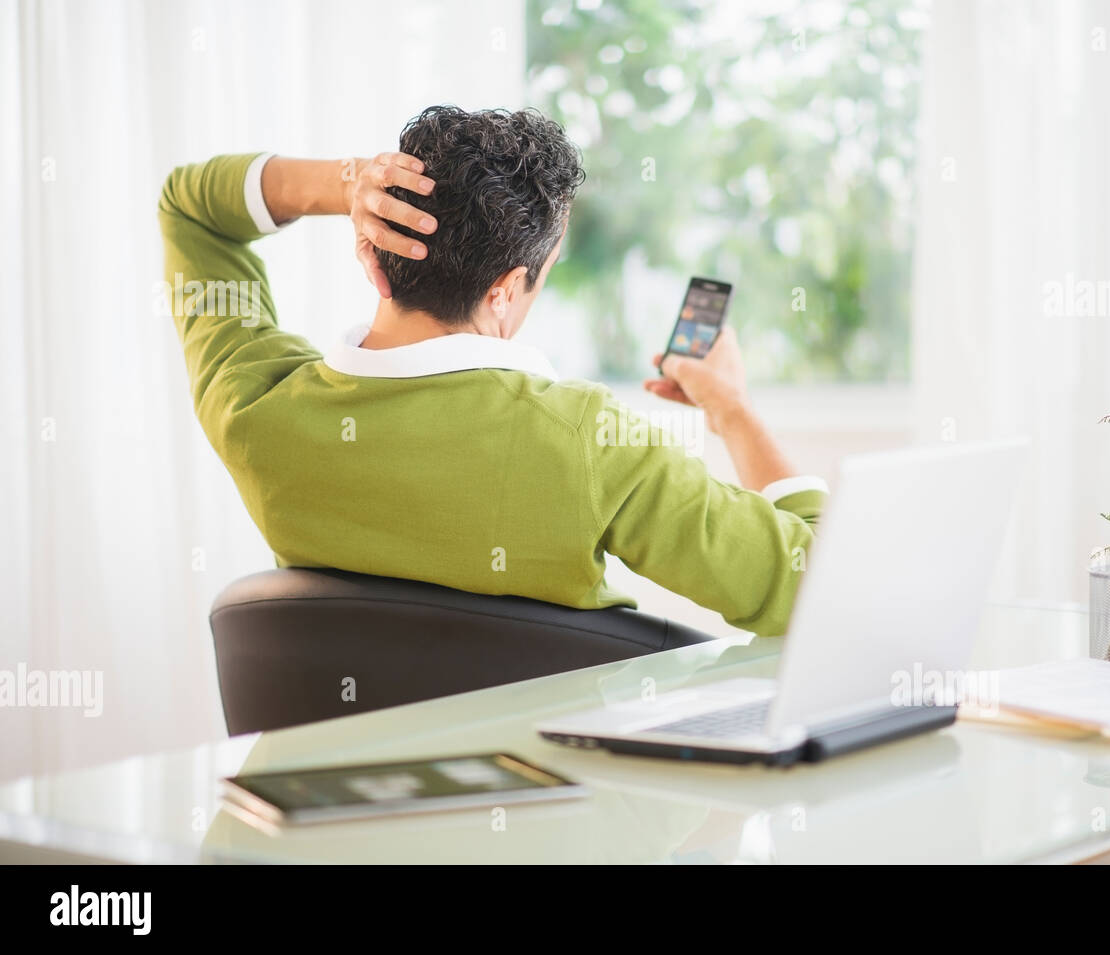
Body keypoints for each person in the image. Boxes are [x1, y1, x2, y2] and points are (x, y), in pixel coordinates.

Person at [160, 105, 826, 636]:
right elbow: (819, 590)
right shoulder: (591, 443)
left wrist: (344, 183)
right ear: (508, 289)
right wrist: (732, 411)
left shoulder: (258, 406)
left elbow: (191, 211)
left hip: (348, 797)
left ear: (370, 255)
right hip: (558, 797)